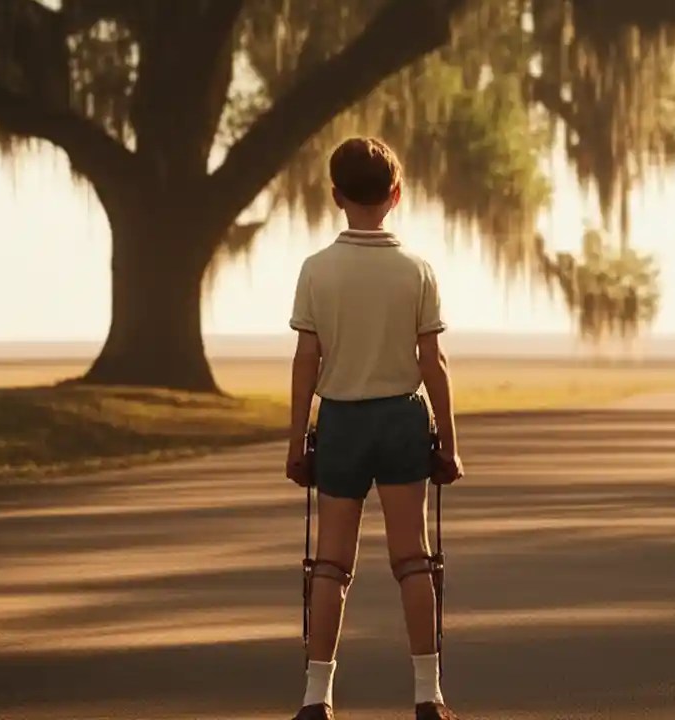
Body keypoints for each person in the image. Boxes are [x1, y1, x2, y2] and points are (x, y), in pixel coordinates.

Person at [285, 137, 465, 720]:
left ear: (335, 195)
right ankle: (428, 693)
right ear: (396, 194)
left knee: (330, 563)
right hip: (401, 419)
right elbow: (432, 362)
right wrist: (449, 444)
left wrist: (296, 441)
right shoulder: (417, 269)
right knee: (414, 557)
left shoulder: (317, 269)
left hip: (341, 420)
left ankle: (316, 695)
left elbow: (306, 361)